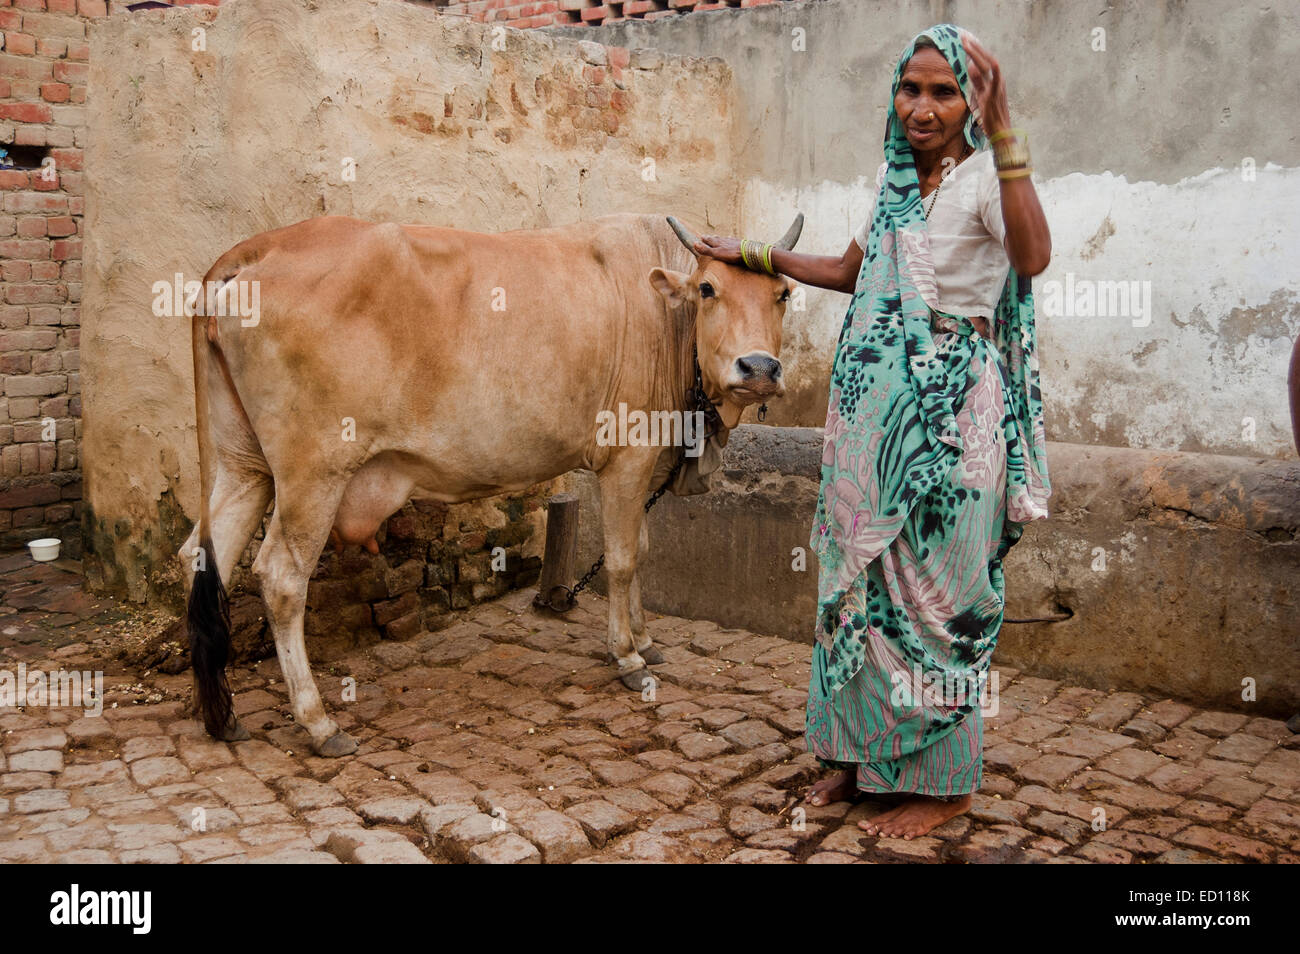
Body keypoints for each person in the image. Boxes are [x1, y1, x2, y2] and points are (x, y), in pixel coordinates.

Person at [692, 24, 1052, 838]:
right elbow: (849, 272)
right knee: (861, 588)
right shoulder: (893, 186)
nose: (922, 108)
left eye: (943, 92)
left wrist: (1007, 137)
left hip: (952, 419)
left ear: (972, 102)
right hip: (870, 426)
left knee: (938, 597)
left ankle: (945, 784)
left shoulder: (987, 180)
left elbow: (1032, 256)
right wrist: (751, 252)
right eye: (909, 89)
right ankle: (860, 759)